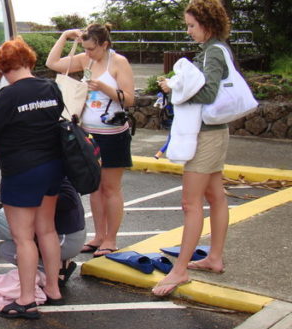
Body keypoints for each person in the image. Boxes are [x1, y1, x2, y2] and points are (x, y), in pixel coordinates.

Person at [0, 36, 64, 319]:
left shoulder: (9, 95)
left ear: (2, 67)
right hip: (52, 166)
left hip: (21, 170)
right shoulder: (51, 87)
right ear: (28, 61)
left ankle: (26, 300)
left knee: (23, 238)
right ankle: (53, 288)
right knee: (46, 229)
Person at [153, 0, 231, 296]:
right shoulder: (217, 48)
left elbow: (208, 92)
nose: (188, 31)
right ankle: (214, 258)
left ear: (206, 25)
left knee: (190, 203)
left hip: (206, 136)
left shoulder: (212, 52)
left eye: (191, 25)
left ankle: (180, 270)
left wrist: (174, 89)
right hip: (213, 133)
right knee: (215, 196)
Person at [46, 23, 135, 258]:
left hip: (113, 134)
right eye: (84, 49)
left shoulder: (118, 62)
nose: (87, 54)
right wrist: (65, 36)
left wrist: (105, 88)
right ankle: (98, 235)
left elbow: (130, 100)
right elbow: (52, 63)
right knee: (94, 187)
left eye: (91, 49)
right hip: (88, 132)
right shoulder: (86, 60)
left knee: (111, 188)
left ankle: (111, 239)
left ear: (104, 45)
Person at [0, 178, 86, 288]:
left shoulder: (49, 170)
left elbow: (70, 199)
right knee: (12, 243)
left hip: (67, 237)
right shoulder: (43, 168)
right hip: (68, 235)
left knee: (10, 250)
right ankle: (55, 270)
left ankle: (56, 271)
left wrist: (35, 199)